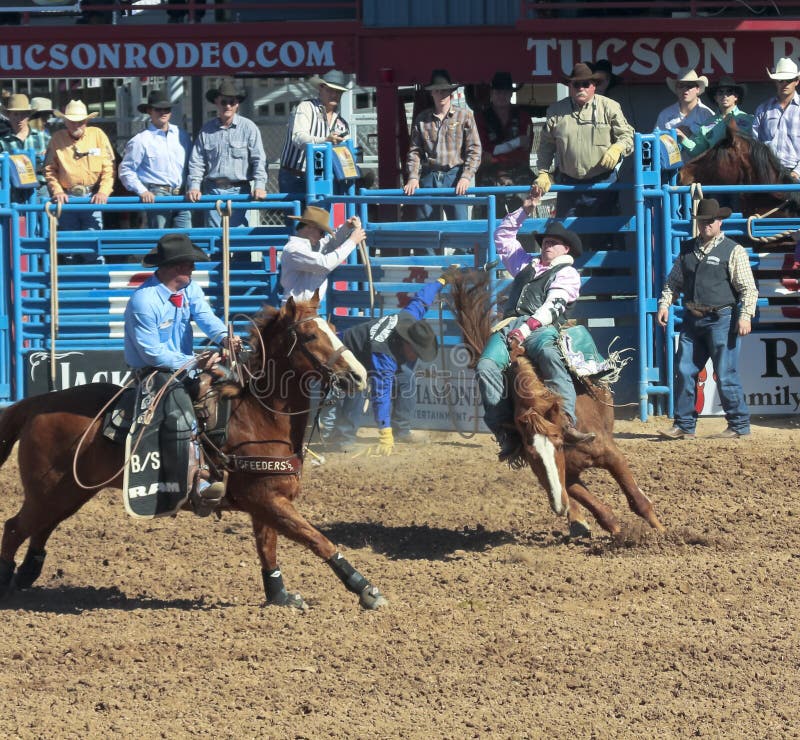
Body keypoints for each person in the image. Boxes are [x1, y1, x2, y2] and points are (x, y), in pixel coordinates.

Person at [124, 233, 243, 513]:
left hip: (185, 366)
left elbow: (206, 318)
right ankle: (194, 481)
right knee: (181, 412)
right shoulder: (144, 301)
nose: (193, 268)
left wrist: (225, 337)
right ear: (175, 267)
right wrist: (195, 362)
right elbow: (152, 353)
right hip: (153, 372)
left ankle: (226, 464)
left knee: (233, 390)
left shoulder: (190, 289)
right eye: (189, 263)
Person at [476, 185, 596, 461]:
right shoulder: (525, 264)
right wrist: (526, 209)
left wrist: (525, 328)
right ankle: (504, 429)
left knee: (548, 353)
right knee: (485, 366)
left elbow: (552, 307)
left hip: (541, 327)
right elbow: (503, 236)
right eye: (545, 241)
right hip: (508, 324)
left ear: (566, 249)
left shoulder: (567, 274)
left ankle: (566, 421)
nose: (546, 244)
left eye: (553, 242)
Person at [656, 198, 757, 440]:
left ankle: (739, 425)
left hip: (722, 316)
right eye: (702, 221)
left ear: (719, 222)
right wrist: (664, 303)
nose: (705, 226)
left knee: (725, 372)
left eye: (709, 221)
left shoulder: (733, 250)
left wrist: (745, 315)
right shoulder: (688, 249)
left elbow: (748, 289)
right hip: (694, 317)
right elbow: (673, 282)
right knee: (685, 369)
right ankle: (684, 424)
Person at [322, 276, 454, 453]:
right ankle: (343, 439)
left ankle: (402, 430)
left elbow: (422, 299)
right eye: (416, 352)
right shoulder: (385, 354)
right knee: (357, 386)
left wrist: (441, 281)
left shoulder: (409, 318)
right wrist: (384, 431)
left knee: (407, 379)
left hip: (366, 355)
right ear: (407, 343)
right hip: (343, 357)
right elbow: (381, 393)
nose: (416, 357)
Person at [534, 62, 634, 251]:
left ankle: (608, 278)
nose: (581, 88)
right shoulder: (555, 111)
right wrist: (543, 172)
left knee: (607, 237)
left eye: (586, 84)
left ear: (594, 86)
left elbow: (628, 136)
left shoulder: (610, 107)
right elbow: (546, 146)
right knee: (563, 236)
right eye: (576, 84)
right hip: (568, 184)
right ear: (569, 87)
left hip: (603, 184)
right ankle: (566, 277)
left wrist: (617, 148)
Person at [187, 79, 267, 229]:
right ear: (216, 102)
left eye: (232, 102)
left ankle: (239, 253)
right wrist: (194, 186)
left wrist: (260, 185)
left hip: (240, 191)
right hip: (213, 190)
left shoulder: (249, 128)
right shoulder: (206, 130)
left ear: (237, 104)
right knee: (216, 240)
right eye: (224, 102)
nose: (228, 106)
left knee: (239, 241)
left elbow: (259, 159)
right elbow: (197, 161)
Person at [404, 69, 482, 221]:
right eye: (436, 91)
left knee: (460, 230)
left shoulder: (465, 116)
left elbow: (474, 149)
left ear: (451, 93)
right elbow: (414, 151)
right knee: (428, 231)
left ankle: (462, 245)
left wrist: (466, 177)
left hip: (454, 176)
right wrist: (413, 177)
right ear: (431, 93)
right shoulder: (422, 119)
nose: (440, 94)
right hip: (429, 176)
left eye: (444, 91)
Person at [119, 89, 192, 229]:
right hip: (157, 194)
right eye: (158, 109)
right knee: (160, 241)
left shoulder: (181, 134)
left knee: (185, 240)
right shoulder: (140, 140)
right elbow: (126, 170)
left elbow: (191, 164)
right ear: (149, 111)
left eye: (167, 109)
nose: (163, 112)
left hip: (181, 193)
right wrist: (142, 191)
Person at [43, 99, 116, 240]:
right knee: (69, 244)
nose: (76, 124)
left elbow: (109, 168)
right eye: (72, 121)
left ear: (86, 121)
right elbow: (50, 169)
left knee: (93, 242)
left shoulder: (98, 135)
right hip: (66, 198)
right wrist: (57, 190)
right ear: (65, 122)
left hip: (92, 198)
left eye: (80, 121)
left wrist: (103, 191)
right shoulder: (57, 139)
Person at [278, 69, 351, 194]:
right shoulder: (306, 107)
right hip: (295, 176)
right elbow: (298, 138)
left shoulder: (342, 124)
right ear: (320, 88)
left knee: (320, 213)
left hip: (323, 179)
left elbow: (346, 152)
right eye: (330, 90)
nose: (334, 94)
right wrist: (325, 141)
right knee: (296, 213)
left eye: (338, 91)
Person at [474, 71, 534, 214]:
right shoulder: (480, 118)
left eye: (505, 92)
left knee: (522, 220)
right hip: (489, 177)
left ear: (511, 94)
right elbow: (483, 151)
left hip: (519, 176)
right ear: (492, 93)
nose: (502, 96)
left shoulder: (523, 116)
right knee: (489, 220)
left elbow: (525, 149)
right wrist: (514, 144)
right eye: (498, 92)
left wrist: (496, 153)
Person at [280, 205, 365, 303]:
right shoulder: (294, 250)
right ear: (310, 228)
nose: (322, 236)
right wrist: (352, 241)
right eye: (321, 232)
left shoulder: (307, 246)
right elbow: (325, 264)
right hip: (297, 312)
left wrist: (346, 228)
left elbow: (329, 242)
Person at [751, 57, 800, 181]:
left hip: (796, 174)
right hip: (768, 173)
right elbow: (755, 143)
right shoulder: (762, 109)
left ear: (797, 81)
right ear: (775, 82)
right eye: (780, 80)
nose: (784, 84)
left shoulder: (763, 109)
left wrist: (797, 172)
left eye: (788, 80)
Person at [682, 76, 753, 159]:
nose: (724, 95)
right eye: (720, 92)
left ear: (736, 97)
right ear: (715, 98)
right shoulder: (706, 124)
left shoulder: (750, 120)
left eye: (729, 92)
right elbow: (698, 151)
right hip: (716, 169)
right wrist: (683, 138)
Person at [0, 93, 50, 204]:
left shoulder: (45, 138)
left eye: (23, 115)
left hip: (39, 190)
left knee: (44, 220)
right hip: (13, 191)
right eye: (15, 114)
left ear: (28, 116)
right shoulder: (2, 142)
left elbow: (55, 163)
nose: (19, 119)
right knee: (13, 220)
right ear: (8, 115)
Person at [655, 70, 715, 153]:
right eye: (681, 86)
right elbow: (656, 144)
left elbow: (713, 147)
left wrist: (690, 135)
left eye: (689, 86)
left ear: (697, 89)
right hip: (672, 166)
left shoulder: (708, 114)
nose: (685, 89)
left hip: (700, 165)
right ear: (676, 89)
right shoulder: (665, 115)